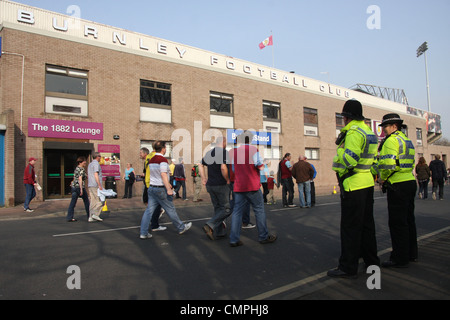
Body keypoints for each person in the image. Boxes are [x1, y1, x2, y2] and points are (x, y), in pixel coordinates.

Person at [328, 100, 380, 278]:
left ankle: (347, 267)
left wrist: (340, 150)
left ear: (346, 117)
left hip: (353, 184)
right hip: (367, 182)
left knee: (350, 227)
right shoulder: (368, 131)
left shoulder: (352, 133)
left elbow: (349, 160)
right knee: (367, 226)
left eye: (343, 117)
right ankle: (372, 261)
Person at [377, 113, 418, 268]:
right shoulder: (407, 141)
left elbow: (388, 165)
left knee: (397, 223)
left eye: (385, 127)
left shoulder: (391, 141)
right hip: (409, 181)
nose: (383, 131)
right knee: (409, 220)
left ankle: (399, 258)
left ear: (394, 126)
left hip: (397, 184)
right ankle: (412, 253)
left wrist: (383, 178)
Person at [229, 133, 277, 247]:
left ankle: (234, 239)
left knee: (237, 212)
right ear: (250, 140)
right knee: (259, 210)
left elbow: (233, 168)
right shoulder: (253, 150)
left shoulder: (234, 152)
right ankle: (263, 237)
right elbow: (259, 165)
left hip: (239, 186)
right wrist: (264, 164)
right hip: (252, 185)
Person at [140, 141, 192, 239]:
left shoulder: (151, 160)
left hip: (152, 188)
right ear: (163, 148)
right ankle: (181, 227)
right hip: (161, 189)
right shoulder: (162, 160)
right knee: (170, 209)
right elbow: (163, 174)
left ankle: (143, 232)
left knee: (148, 211)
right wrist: (168, 188)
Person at [199, 136, 231, 240]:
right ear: (223, 142)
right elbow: (223, 167)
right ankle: (210, 224)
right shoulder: (224, 152)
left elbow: (200, 165)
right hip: (221, 185)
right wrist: (227, 179)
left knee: (218, 208)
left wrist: (204, 178)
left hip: (210, 185)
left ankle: (219, 232)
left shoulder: (209, 153)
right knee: (227, 209)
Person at [140, 147, 166, 232]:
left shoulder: (150, 157)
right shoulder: (154, 157)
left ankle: (146, 229)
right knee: (154, 206)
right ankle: (153, 224)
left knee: (151, 206)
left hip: (150, 183)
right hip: (152, 184)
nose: (140, 154)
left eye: (141, 153)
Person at [67, 157, 90, 222]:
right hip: (79, 187)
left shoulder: (76, 168)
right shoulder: (81, 169)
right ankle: (89, 216)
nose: (85, 163)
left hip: (74, 187)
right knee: (86, 201)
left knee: (73, 202)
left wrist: (72, 183)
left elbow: (75, 177)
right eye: (84, 162)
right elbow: (80, 178)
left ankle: (69, 217)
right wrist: (81, 189)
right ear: (80, 162)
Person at [87, 152, 104, 222]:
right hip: (95, 185)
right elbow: (96, 174)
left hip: (90, 185)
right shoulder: (96, 164)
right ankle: (95, 214)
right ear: (98, 157)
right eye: (100, 156)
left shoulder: (90, 164)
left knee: (92, 202)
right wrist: (99, 184)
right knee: (101, 200)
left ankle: (90, 216)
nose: (100, 158)